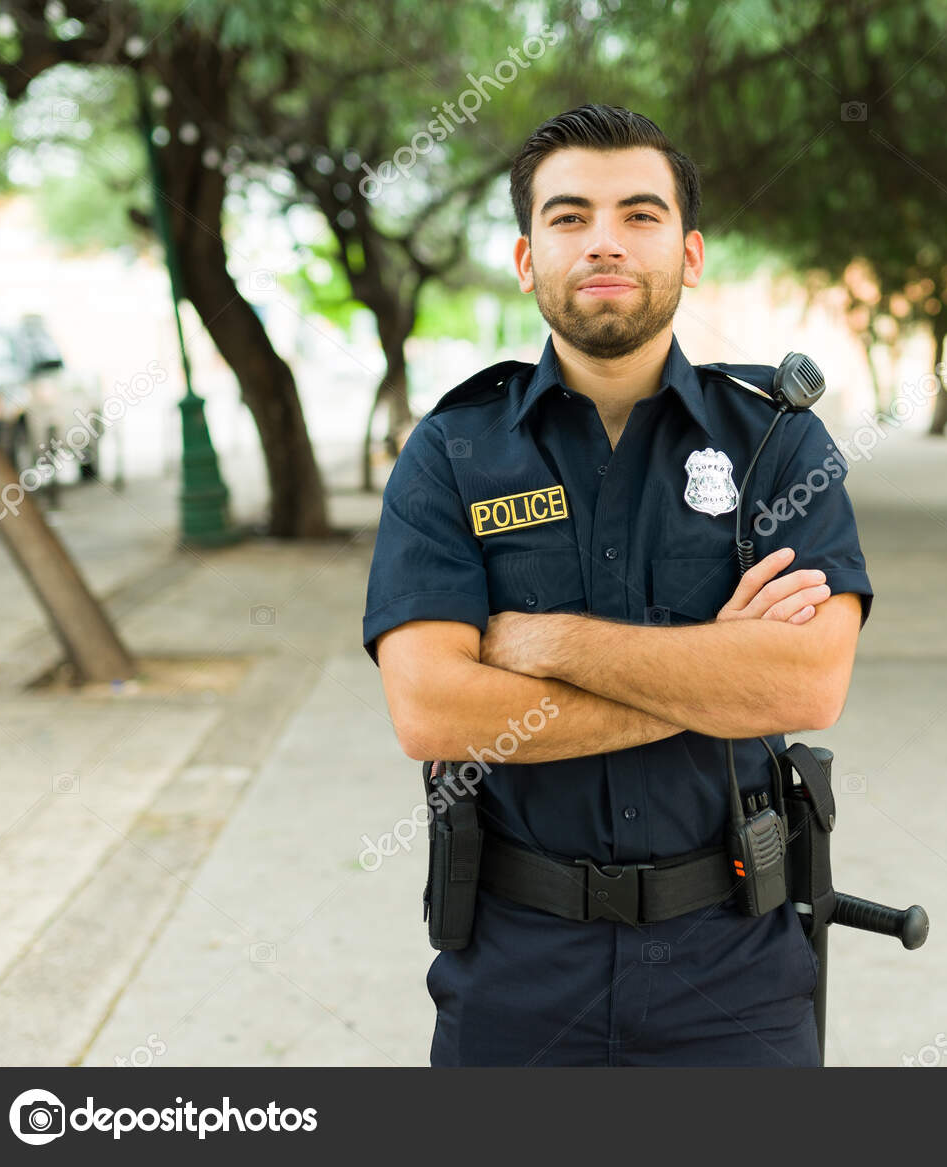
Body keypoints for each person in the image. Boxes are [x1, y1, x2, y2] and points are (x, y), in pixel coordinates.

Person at [361, 104, 873, 1066]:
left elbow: (804, 686)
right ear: (526, 259)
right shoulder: (452, 451)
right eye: (569, 217)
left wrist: (538, 640)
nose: (605, 242)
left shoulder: (775, 441)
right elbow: (430, 707)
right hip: (516, 969)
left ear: (689, 253)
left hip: (734, 974)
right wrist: (711, 678)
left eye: (640, 215)